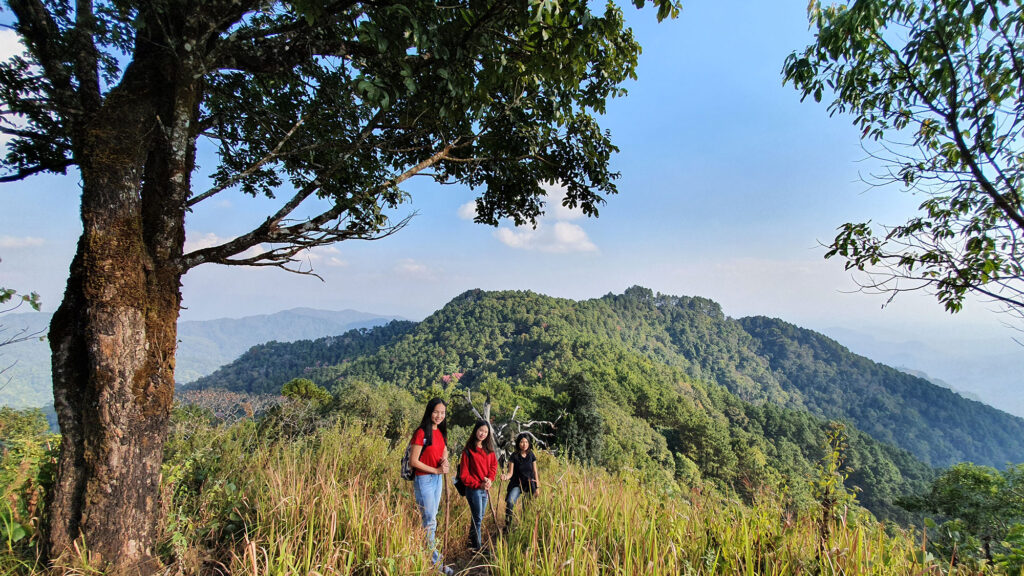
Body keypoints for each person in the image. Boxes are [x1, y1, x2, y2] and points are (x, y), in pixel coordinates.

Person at [409, 398, 452, 573]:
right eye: (436, 412)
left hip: (437, 479)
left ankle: (428, 555)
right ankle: (436, 563)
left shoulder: (441, 432)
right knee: (430, 520)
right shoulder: (421, 432)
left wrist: (445, 461)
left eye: (442, 413)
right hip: (425, 479)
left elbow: (443, 450)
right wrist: (435, 470)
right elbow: (413, 461)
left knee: (431, 518)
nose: (439, 416)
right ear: (429, 412)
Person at [457, 420, 497, 551]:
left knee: (478, 517)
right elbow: (464, 475)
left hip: (484, 489)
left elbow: (493, 466)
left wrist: (490, 480)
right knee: (478, 518)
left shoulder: (489, 450)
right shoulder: (468, 451)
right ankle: (478, 547)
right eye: (481, 430)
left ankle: (471, 542)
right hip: (473, 489)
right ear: (475, 431)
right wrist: (478, 485)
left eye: (486, 432)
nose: (483, 434)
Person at [501, 432, 540, 529]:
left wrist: (537, 487)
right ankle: (508, 525)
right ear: (518, 443)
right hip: (516, 484)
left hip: (529, 484)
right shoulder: (514, 456)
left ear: (529, 443)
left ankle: (523, 526)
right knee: (510, 502)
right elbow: (510, 473)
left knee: (526, 507)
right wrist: (505, 477)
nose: (524, 444)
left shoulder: (531, 455)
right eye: (522, 442)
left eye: (526, 442)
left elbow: (535, 472)